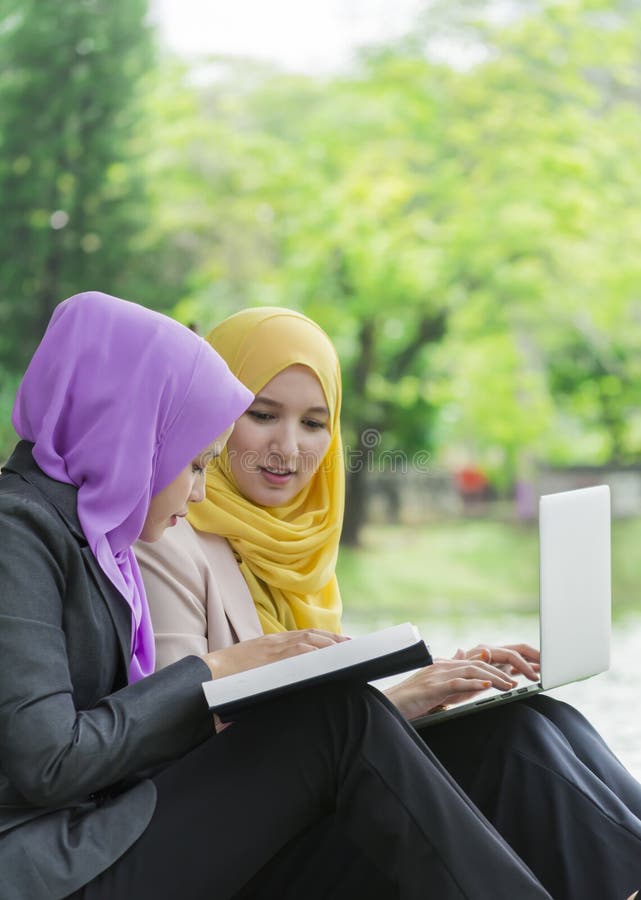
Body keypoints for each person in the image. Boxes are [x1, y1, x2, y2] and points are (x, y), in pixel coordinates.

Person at [0, 291, 559, 900]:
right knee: (336, 720)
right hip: (54, 868)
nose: (195, 494)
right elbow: (49, 762)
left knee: (504, 727)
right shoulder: (17, 529)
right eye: (192, 465)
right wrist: (211, 672)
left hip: (103, 835)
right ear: (130, 438)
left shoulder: (89, 537)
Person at [137, 306, 641, 900]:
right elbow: (178, 742)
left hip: (323, 803)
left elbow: (315, 709)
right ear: (215, 413)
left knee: (533, 718)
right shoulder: (167, 537)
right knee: (510, 748)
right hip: (245, 851)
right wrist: (396, 706)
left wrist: (435, 692)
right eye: (262, 414)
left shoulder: (304, 553)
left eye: (314, 423)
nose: (288, 447)